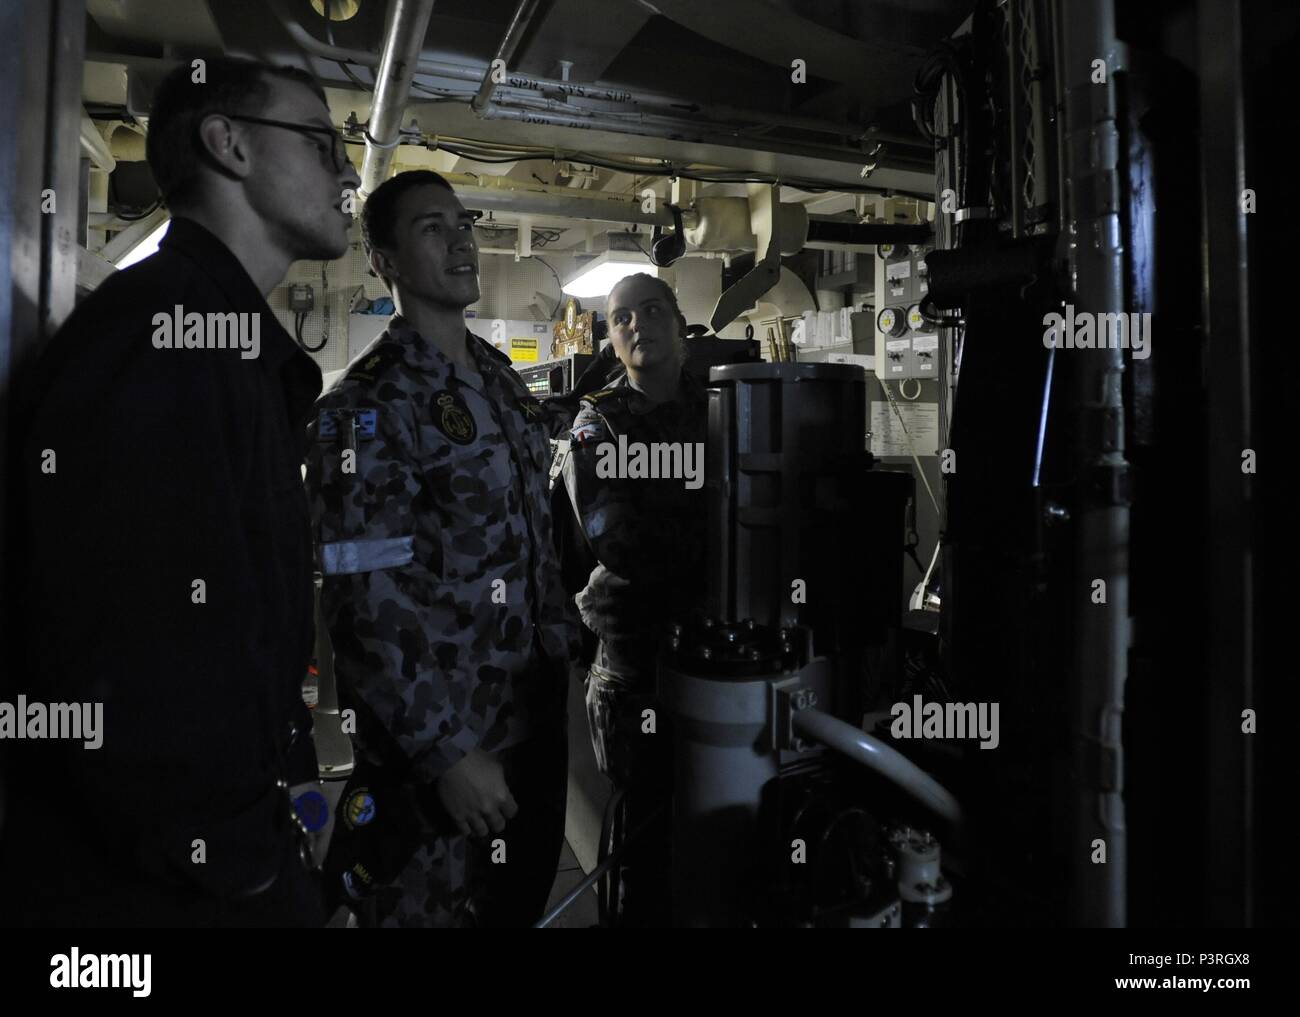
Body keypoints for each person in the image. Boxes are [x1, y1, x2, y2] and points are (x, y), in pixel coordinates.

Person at [1, 57, 360, 926]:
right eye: (318, 142)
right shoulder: (166, 332)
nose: (347, 171)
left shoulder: (219, 337)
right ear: (228, 145)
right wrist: (246, 868)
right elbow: (130, 657)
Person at [306, 170, 579, 927]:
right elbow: (364, 599)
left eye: (464, 223)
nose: (462, 239)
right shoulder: (366, 405)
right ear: (384, 261)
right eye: (432, 227)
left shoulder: (499, 382)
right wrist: (447, 752)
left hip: (529, 730)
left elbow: (537, 539)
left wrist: (563, 641)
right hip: (439, 756)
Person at [560, 273, 709, 926]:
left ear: (680, 322)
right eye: (621, 318)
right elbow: (619, 543)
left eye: (652, 310)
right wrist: (723, 540)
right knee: (644, 853)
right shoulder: (600, 423)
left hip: (721, 662)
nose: (637, 325)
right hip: (638, 676)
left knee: (715, 841)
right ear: (612, 338)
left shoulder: (724, 404)